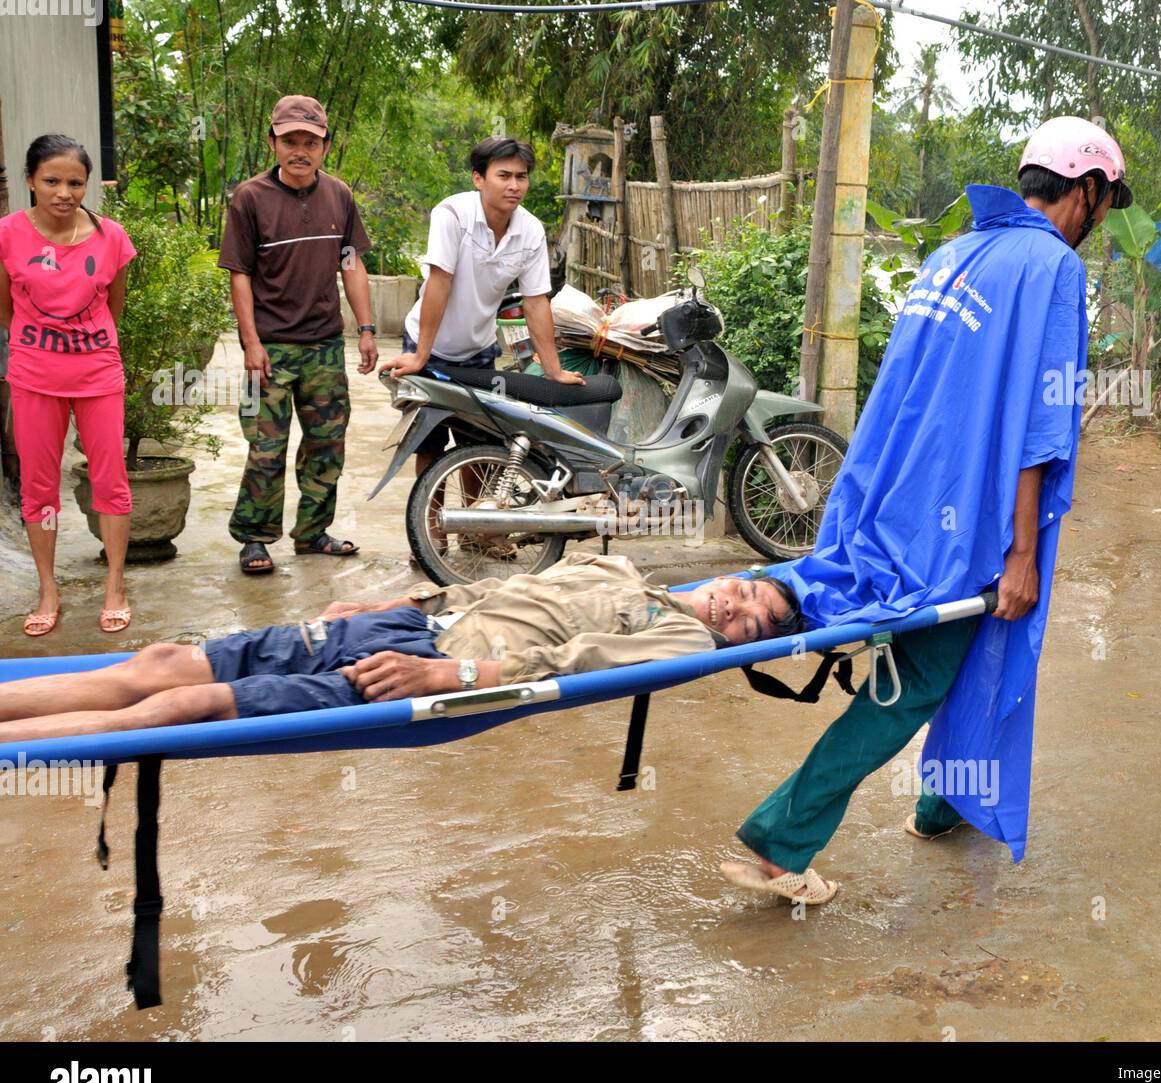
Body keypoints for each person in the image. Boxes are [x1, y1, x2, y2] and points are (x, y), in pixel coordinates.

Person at [721, 116, 1133, 906]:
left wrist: (859, 512)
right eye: (1106, 200)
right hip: (966, 529)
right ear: (1084, 190)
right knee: (916, 682)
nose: (1103, 218)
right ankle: (778, 839)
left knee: (968, 652)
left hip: (899, 509)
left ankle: (943, 806)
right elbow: (1040, 427)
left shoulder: (953, 256)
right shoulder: (1051, 267)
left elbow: (903, 391)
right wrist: (1019, 550)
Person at [0, 553, 801, 742]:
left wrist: (446, 673)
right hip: (407, 627)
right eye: (749, 592)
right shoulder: (626, 565)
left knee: (188, 704)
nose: (737, 610)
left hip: (425, 673)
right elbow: (501, 586)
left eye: (755, 626)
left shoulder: (682, 637)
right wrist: (403, 599)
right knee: (162, 661)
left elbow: (574, 666)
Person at [378, 137, 585, 554]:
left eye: (521, 177)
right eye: (503, 175)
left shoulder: (529, 230)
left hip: (479, 349)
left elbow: (536, 300)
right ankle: (431, 531)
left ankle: (479, 530)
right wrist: (420, 354)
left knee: (480, 444)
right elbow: (439, 282)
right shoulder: (452, 214)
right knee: (431, 444)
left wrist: (553, 369)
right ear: (479, 178)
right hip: (430, 344)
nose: (514, 185)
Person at [218, 95, 377, 575]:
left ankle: (312, 534)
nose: (300, 150)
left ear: (325, 145)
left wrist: (366, 329)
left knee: (327, 445)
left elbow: (351, 264)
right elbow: (239, 273)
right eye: (290, 141)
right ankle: (254, 539)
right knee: (265, 448)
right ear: (273, 143)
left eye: (310, 141)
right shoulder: (250, 198)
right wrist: (250, 342)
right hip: (269, 350)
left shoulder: (340, 196)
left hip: (325, 347)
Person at [0, 134, 138, 637]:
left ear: (87, 185)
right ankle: (47, 588)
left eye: (75, 182)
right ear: (31, 181)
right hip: (34, 375)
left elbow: (113, 305)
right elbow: (6, 306)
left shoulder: (111, 237)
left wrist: (88, 348)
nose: (64, 191)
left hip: (98, 372)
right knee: (39, 485)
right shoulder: (8, 234)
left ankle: (116, 585)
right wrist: (39, 345)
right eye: (52, 180)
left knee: (110, 478)